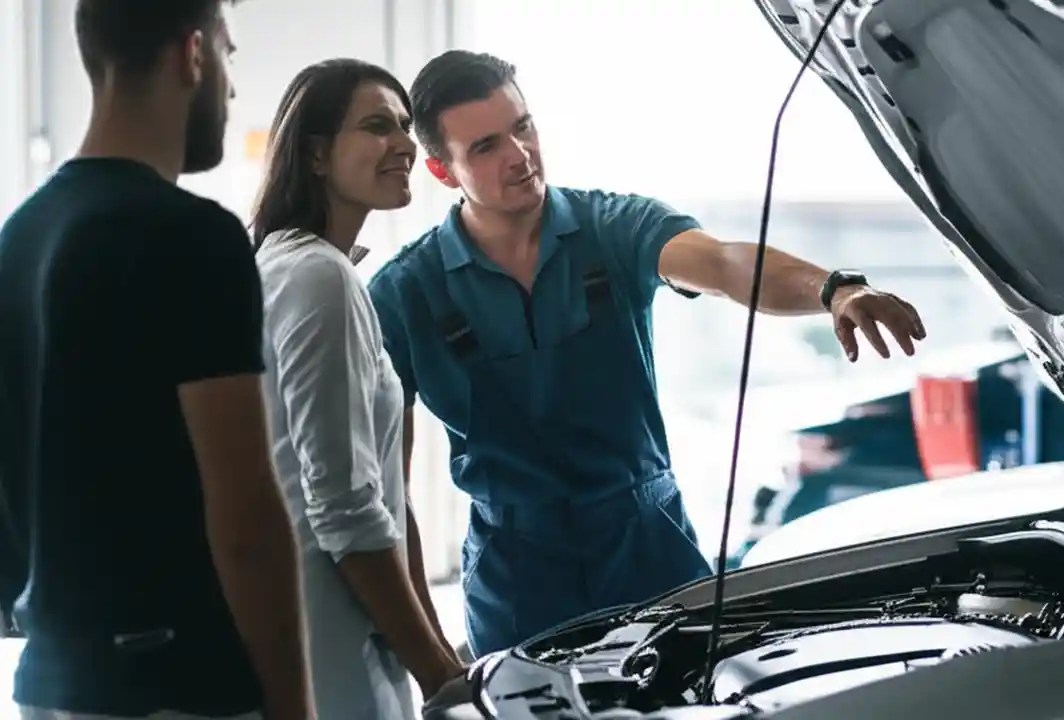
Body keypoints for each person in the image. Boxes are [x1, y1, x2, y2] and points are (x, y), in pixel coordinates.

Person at [367, 50, 928, 658]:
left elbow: (722, 263)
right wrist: (427, 650)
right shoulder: (405, 294)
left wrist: (835, 289)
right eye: (485, 147)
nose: (519, 155)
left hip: (648, 547)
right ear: (443, 172)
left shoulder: (613, 226)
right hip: (516, 574)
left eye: (523, 127)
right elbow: (385, 496)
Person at [0, 1, 313, 718]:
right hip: (178, 685)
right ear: (192, 54)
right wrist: (296, 708)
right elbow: (246, 519)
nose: (232, 88)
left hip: (52, 680)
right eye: (230, 56)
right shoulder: (189, 237)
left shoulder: (19, 238)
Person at [249, 58, 464, 718]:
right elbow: (344, 504)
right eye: (376, 127)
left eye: (404, 126)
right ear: (315, 155)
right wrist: (439, 677)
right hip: (335, 648)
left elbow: (390, 502)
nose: (403, 143)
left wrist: (442, 657)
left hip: (331, 637)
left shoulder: (297, 267)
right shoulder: (318, 277)